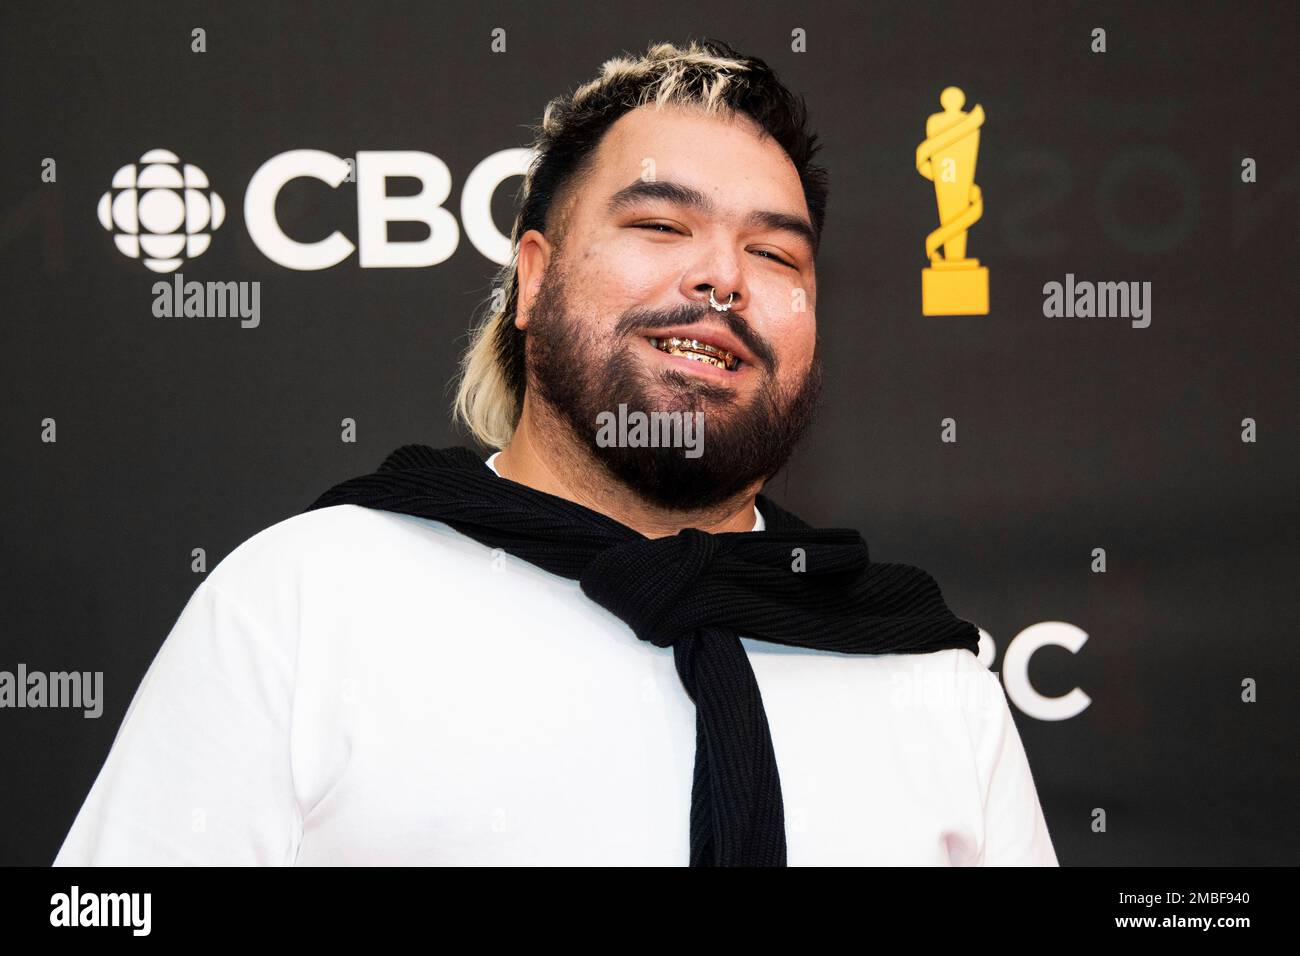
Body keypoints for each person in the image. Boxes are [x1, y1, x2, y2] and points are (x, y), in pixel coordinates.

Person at [53, 38, 1057, 866]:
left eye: (774, 253)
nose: (721, 276)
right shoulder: (306, 602)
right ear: (531, 280)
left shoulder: (927, 670)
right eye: (661, 224)